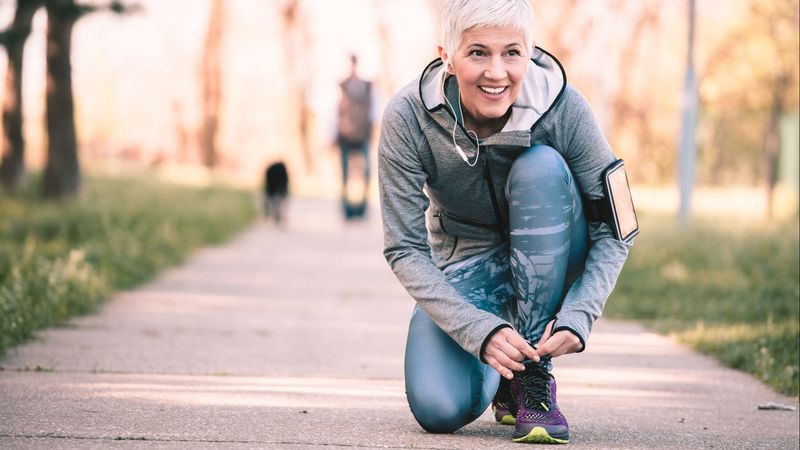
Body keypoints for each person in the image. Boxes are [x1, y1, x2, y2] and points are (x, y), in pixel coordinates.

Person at [378, 0, 635, 444]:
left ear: (529, 53)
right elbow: (404, 248)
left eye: (512, 53)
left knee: (541, 167)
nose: (496, 72)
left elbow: (617, 226)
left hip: (555, 252)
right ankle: (504, 374)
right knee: (438, 408)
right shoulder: (408, 117)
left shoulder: (564, 107)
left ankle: (533, 373)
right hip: (468, 264)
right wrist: (479, 331)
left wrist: (580, 313)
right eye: (478, 52)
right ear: (447, 56)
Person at [336, 54, 374, 220]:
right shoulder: (341, 86)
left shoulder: (368, 87)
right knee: (344, 174)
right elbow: (334, 111)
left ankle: (363, 208)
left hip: (363, 134)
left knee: (367, 172)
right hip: (345, 135)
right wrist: (332, 134)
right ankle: (346, 209)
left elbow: (373, 111)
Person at [263, 161, 289, 225]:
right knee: (278, 202)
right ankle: (277, 215)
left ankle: (275, 214)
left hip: (273, 188)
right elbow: (286, 180)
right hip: (278, 188)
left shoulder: (270, 169)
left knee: (274, 202)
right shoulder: (281, 169)